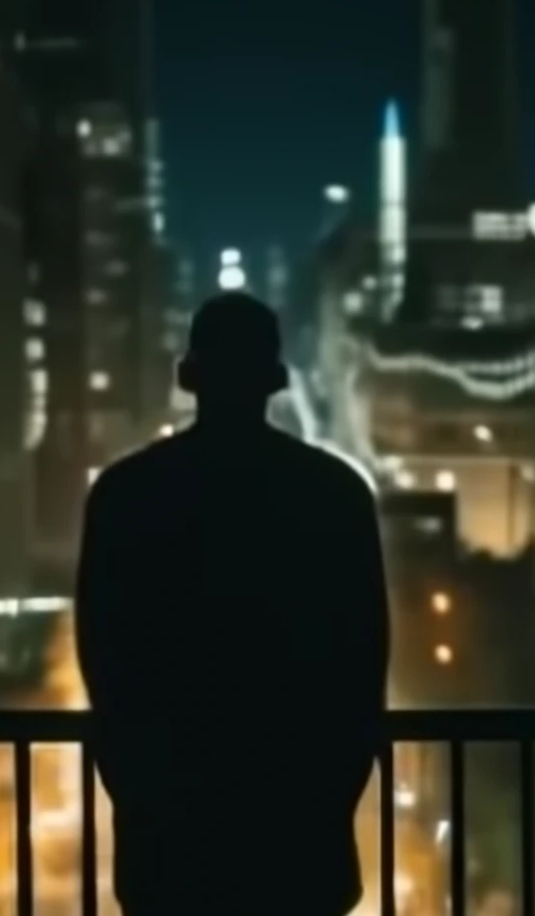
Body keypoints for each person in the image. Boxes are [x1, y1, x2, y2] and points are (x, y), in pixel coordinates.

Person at [76, 292, 390, 916]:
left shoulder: (126, 495)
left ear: (188, 378)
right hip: (299, 835)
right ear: (276, 381)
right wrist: (329, 794)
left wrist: (139, 788)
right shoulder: (336, 495)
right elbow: (363, 661)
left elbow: (104, 658)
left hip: (170, 838)